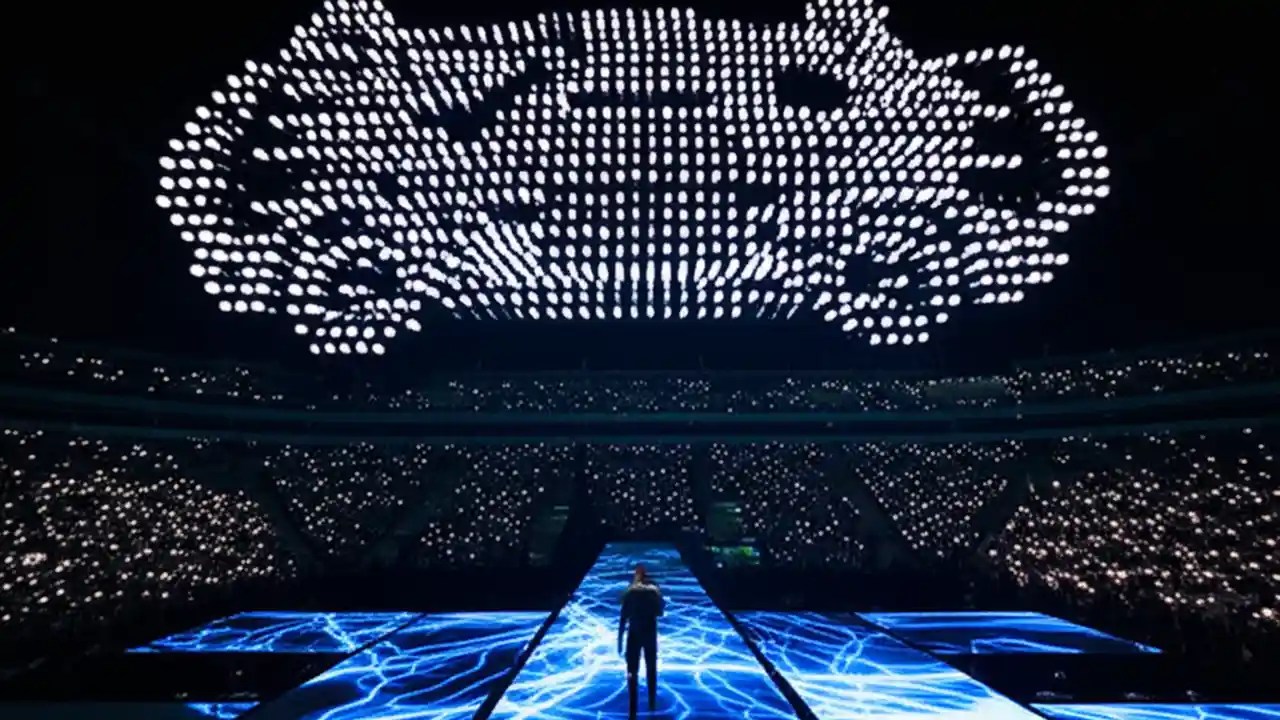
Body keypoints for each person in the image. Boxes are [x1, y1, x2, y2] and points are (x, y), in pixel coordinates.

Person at [618, 564, 664, 716]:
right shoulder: (654, 591)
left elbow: (623, 618)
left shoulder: (629, 592)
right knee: (651, 668)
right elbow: (660, 612)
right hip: (649, 633)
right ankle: (651, 702)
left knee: (632, 670)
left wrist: (619, 641)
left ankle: (633, 706)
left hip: (634, 634)